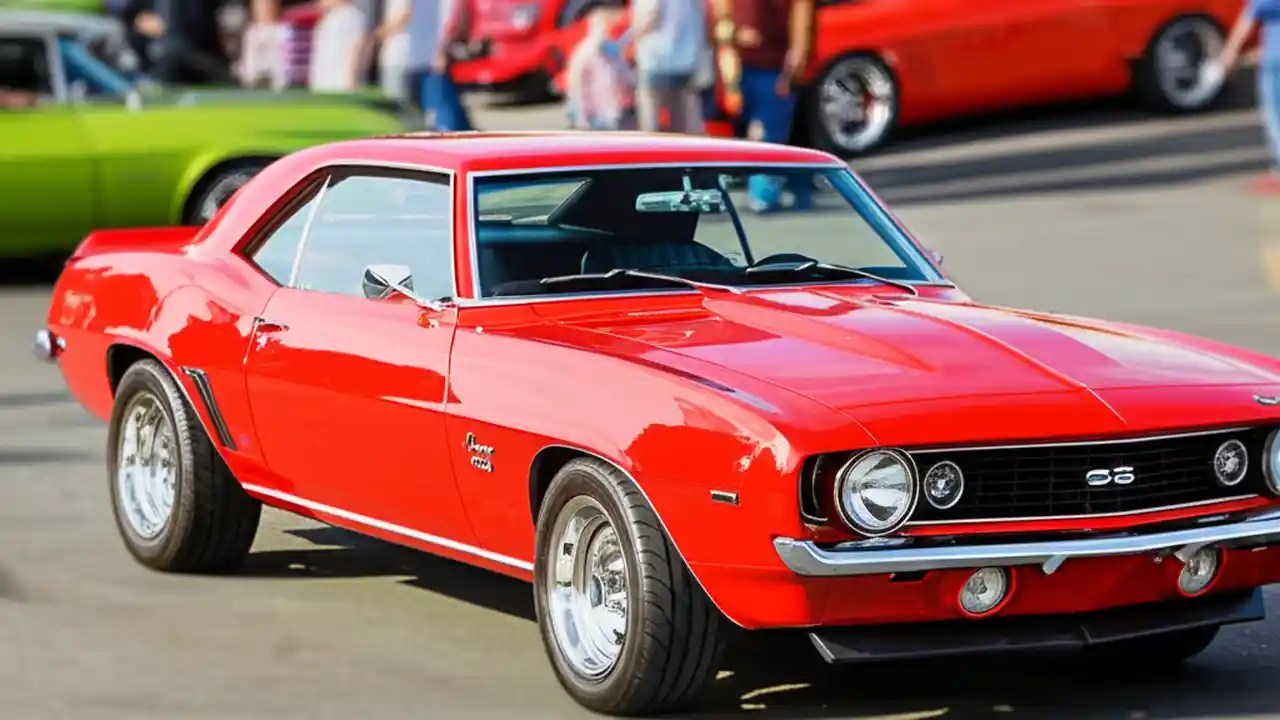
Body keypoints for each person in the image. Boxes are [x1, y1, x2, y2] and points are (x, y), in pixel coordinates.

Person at [711, 0, 815, 211]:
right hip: (753, 66)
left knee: (765, 132)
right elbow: (719, 21)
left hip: (762, 67)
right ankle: (770, 193)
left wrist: (794, 65)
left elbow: (802, 21)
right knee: (767, 132)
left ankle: (765, 193)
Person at [1213, 0, 1280, 189]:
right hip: (1273, 58)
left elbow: (1249, 18)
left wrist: (1229, 54)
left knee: (1275, 115)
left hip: (1275, 62)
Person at [630, 0, 707, 134]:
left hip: (654, 62)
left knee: (650, 127)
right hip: (685, 61)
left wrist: (632, 36)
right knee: (682, 128)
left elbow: (649, 18)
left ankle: (653, 152)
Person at [406, 0, 474, 131]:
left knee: (440, 101)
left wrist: (440, 50)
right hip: (425, 56)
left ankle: (448, 130)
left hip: (433, 56)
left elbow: (448, 22)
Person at [131, 0, 234, 84]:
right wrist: (140, 21)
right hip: (146, 42)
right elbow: (133, 15)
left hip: (188, 45)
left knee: (171, 51)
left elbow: (202, 24)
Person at [566, 6, 635, 130]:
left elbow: (626, 80)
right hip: (596, 118)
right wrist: (581, 119)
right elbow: (576, 89)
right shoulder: (584, 53)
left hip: (617, 115)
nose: (605, 29)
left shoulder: (613, 51)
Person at [309, 0, 368, 92]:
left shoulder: (351, 16)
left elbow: (357, 49)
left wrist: (352, 80)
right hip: (323, 82)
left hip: (342, 83)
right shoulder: (329, 17)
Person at [238, 0, 289, 90]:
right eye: (260, 7)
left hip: (278, 78)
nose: (265, 9)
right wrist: (250, 76)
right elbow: (249, 59)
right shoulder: (251, 33)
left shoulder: (283, 31)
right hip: (256, 79)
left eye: (268, 5)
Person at [373, 0, 413, 101]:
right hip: (393, 54)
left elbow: (405, 15)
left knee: (395, 103)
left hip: (399, 55)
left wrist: (379, 34)